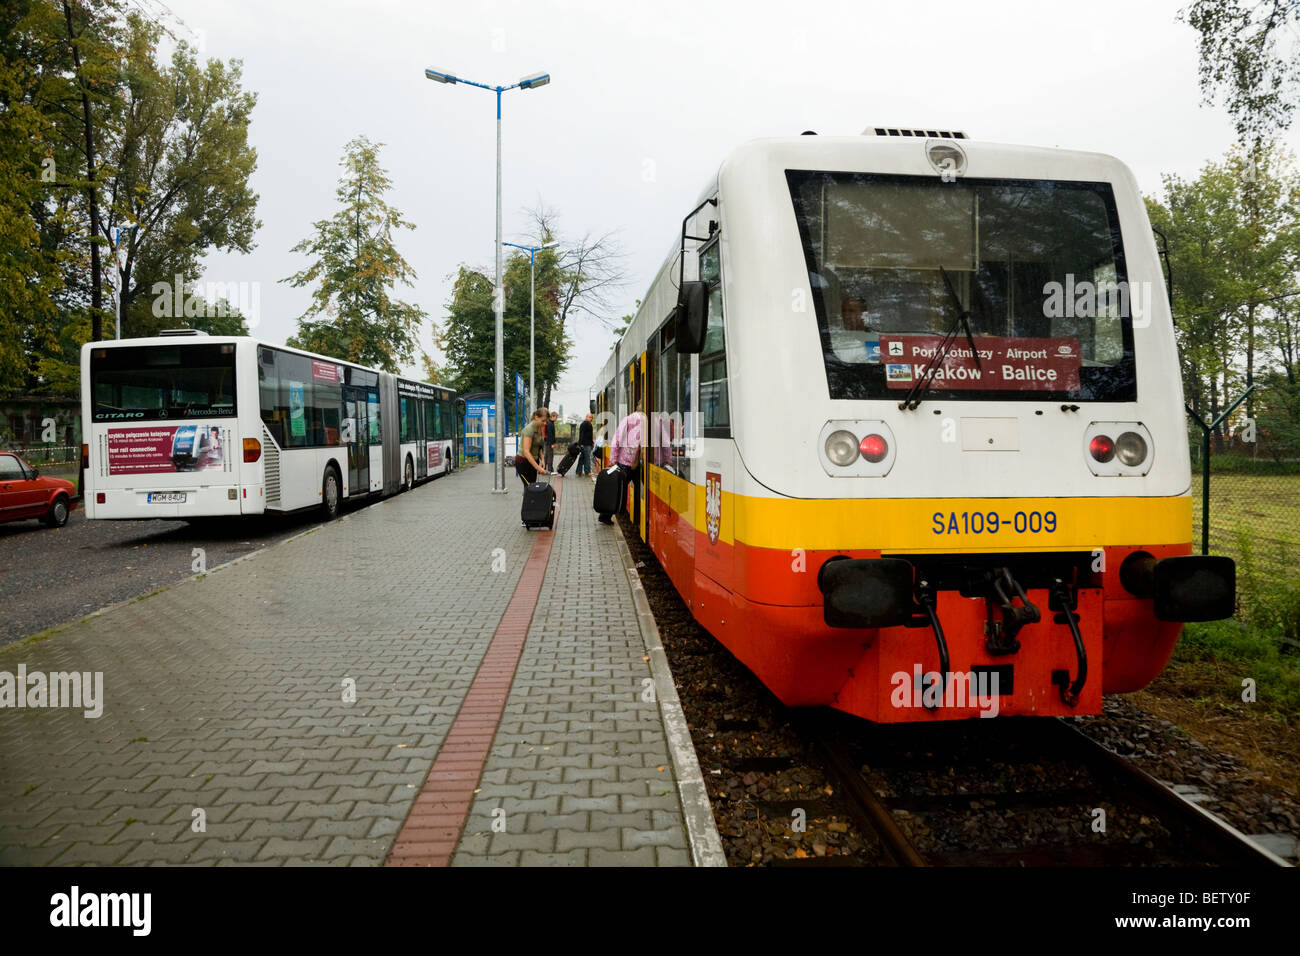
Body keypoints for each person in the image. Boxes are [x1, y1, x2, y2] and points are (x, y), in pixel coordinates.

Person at [607, 406, 645, 525]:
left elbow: (616, 439)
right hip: (640, 463)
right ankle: (638, 519)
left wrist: (613, 458)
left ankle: (605, 514)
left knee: (617, 490)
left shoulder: (627, 420)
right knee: (640, 491)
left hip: (625, 462)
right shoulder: (650, 422)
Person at [515, 408, 549, 487]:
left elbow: (539, 446)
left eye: (546, 421)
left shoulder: (539, 427)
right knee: (529, 487)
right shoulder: (529, 429)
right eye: (543, 420)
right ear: (536, 417)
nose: (545, 423)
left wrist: (542, 460)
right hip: (523, 462)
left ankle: (530, 499)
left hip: (533, 461)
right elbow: (526, 452)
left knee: (532, 487)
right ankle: (526, 499)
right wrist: (538, 468)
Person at [578, 412, 595, 477]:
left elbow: (589, 435)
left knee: (582, 458)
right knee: (587, 458)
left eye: (591, 417)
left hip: (587, 443)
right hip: (586, 444)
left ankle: (578, 471)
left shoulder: (586, 424)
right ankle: (587, 472)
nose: (591, 419)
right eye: (589, 417)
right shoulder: (585, 424)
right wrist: (581, 444)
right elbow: (581, 434)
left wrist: (592, 442)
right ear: (586, 417)